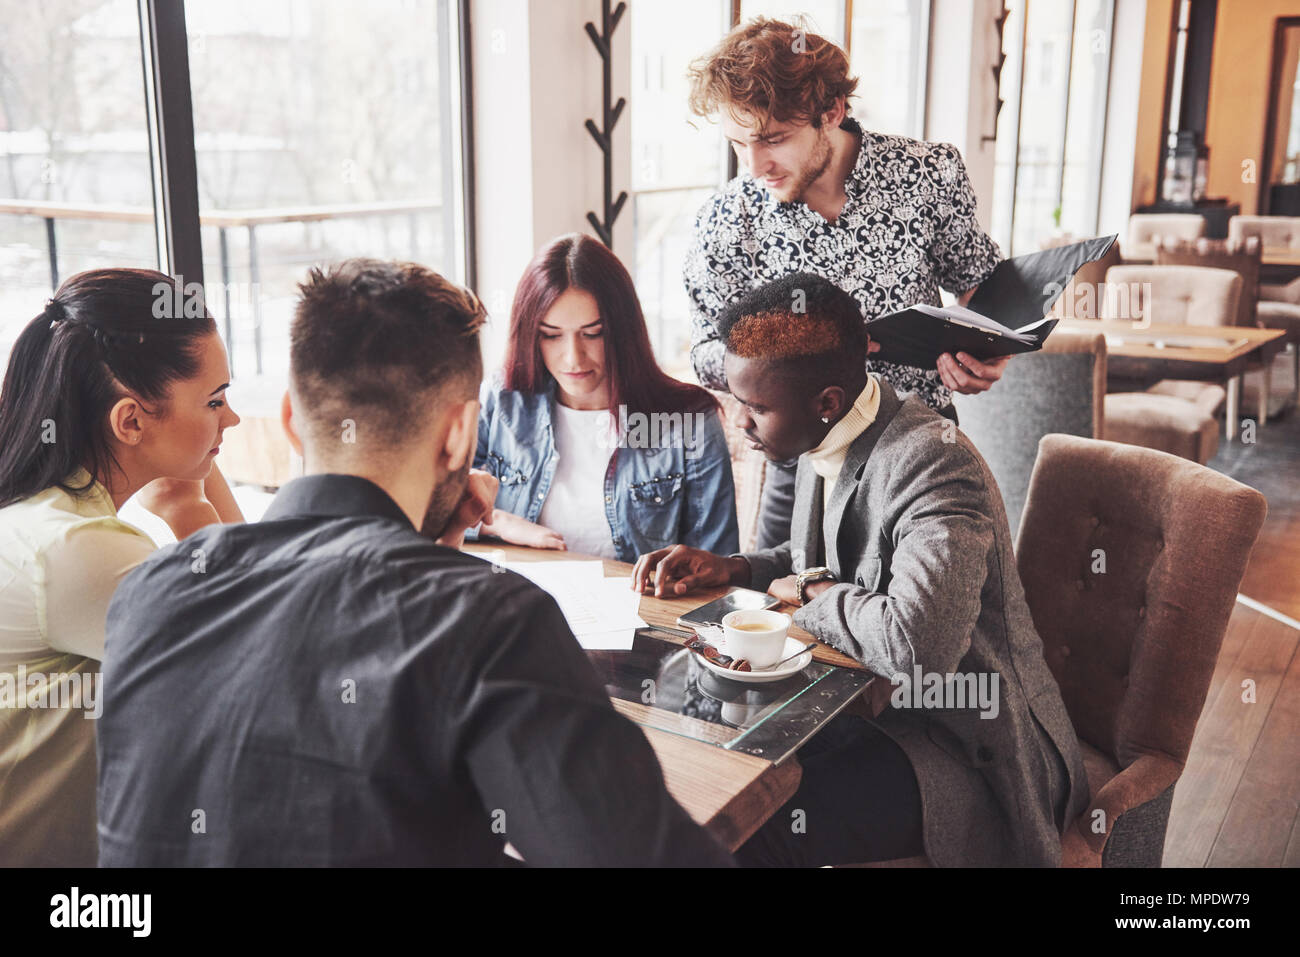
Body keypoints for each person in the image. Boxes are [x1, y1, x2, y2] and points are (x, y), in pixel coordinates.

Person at [95, 258, 735, 867]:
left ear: (291, 420)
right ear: (461, 433)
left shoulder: (151, 589)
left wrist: (440, 553)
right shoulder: (493, 622)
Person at [631, 274, 1088, 867]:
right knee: (711, 769)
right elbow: (821, 563)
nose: (740, 424)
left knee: (754, 822)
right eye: (738, 402)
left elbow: (916, 648)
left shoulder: (934, 463)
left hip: (967, 750)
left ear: (825, 402)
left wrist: (806, 590)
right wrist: (735, 568)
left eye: (755, 408)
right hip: (871, 713)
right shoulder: (826, 428)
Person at [684, 17, 1009, 549]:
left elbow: (981, 283)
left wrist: (987, 348)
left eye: (773, 139)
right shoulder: (725, 220)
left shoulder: (929, 174)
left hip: (921, 449)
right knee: (780, 610)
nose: (755, 164)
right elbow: (703, 347)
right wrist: (772, 370)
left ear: (830, 112)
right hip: (800, 461)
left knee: (920, 618)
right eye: (739, 143)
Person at [0, 268, 243, 866]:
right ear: (130, 422)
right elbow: (265, 653)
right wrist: (192, 513)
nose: (232, 419)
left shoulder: (44, 512)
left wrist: (195, 455)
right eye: (215, 401)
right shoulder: (80, 550)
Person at [473, 232, 739, 562]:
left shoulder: (688, 420)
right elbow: (438, 506)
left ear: (623, 330)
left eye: (593, 333)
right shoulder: (504, 400)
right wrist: (496, 522)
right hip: (523, 602)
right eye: (551, 335)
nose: (573, 357)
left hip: (637, 610)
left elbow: (717, 566)